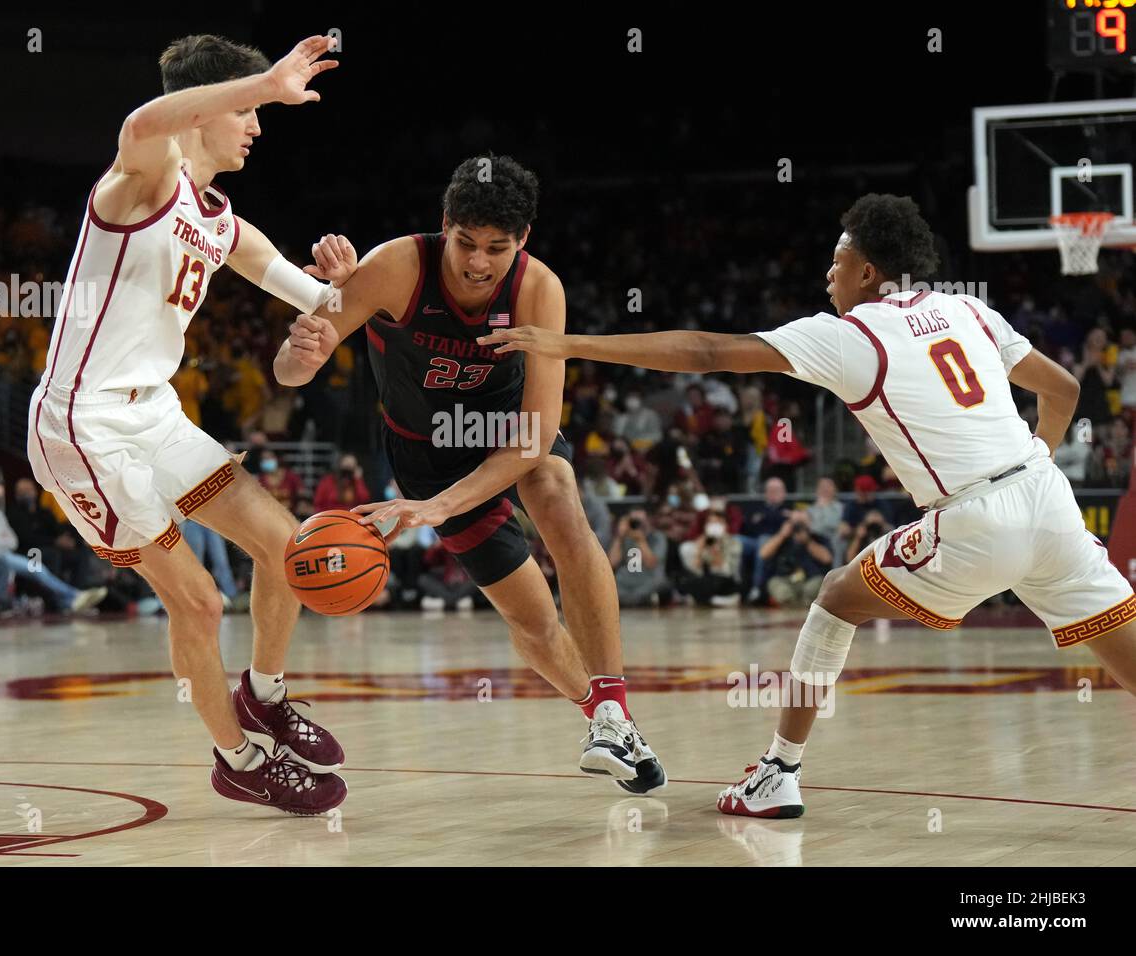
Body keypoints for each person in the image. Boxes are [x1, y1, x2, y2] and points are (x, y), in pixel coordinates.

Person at [478, 192, 1136, 818]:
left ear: (868, 270)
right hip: (1049, 501)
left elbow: (710, 351)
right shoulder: (968, 311)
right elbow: (1065, 389)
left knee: (834, 599)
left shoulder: (852, 334)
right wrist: (1035, 468)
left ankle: (777, 774)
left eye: (839, 259)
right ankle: (775, 773)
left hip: (975, 516)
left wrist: (569, 344)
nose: (830, 273)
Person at [25, 33, 354, 814]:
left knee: (289, 548)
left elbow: (322, 304)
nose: (258, 126)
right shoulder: (138, 183)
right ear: (206, 109)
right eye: (247, 110)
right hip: (86, 428)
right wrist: (267, 83)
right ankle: (238, 759)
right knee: (200, 601)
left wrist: (337, 293)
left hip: (158, 414)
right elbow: (142, 124)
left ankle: (265, 697)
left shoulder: (224, 223)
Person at [275, 154, 666, 794]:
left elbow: (537, 434)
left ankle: (615, 706)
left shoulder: (539, 290)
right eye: (465, 243)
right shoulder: (394, 269)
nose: (478, 262)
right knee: (534, 622)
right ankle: (604, 722)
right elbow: (289, 373)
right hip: (425, 454)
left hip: (510, 434)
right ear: (444, 225)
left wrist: (440, 508)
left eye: (496, 248)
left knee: (561, 499)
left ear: (523, 242)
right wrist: (299, 355)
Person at [0, 481, 107, 614]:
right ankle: (74, 596)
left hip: (9, 554)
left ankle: (71, 601)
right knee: (38, 568)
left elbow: (12, 541)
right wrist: (1, 542)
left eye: (0, 495)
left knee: (64, 558)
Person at [761, 510, 833, 608]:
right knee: (778, 587)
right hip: (785, 579)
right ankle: (792, 604)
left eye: (802, 523)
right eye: (795, 523)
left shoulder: (818, 538)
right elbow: (763, 554)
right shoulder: (782, 539)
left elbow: (827, 558)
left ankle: (803, 606)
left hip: (810, 579)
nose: (798, 527)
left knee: (812, 588)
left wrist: (808, 541)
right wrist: (782, 535)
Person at [607, 508, 669, 608]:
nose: (637, 525)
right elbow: (611, 564)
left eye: (639, 521)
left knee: (662, 586)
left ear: (649, 520)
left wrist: (641, 541)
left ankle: (633, 600)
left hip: (649, 579)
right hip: (626, 581)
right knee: (610, 587)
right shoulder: (624, 537)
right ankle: (632, 600)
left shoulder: (658, 537)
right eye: (633, 521)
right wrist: (619, 537)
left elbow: (651, 564)